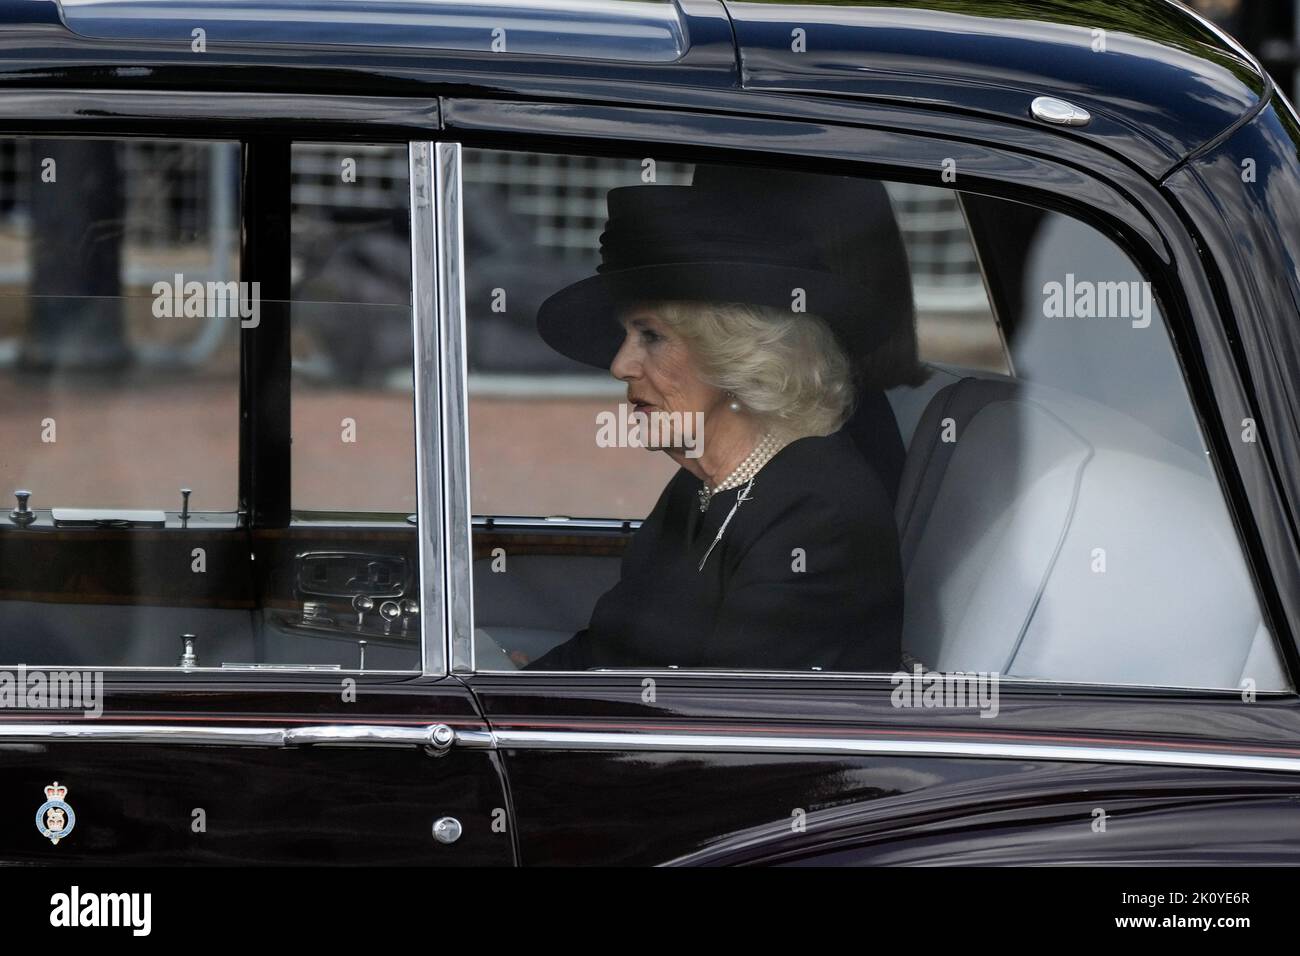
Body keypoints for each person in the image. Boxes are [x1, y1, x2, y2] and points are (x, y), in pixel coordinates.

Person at [524, 165, 907, 671]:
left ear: (737, 355)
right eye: (626, 336)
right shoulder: (702, 485)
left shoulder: (818, 518)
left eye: (651, 337)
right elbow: (612, 648)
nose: (620, 366)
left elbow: (725, 718)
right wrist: (524, 690)